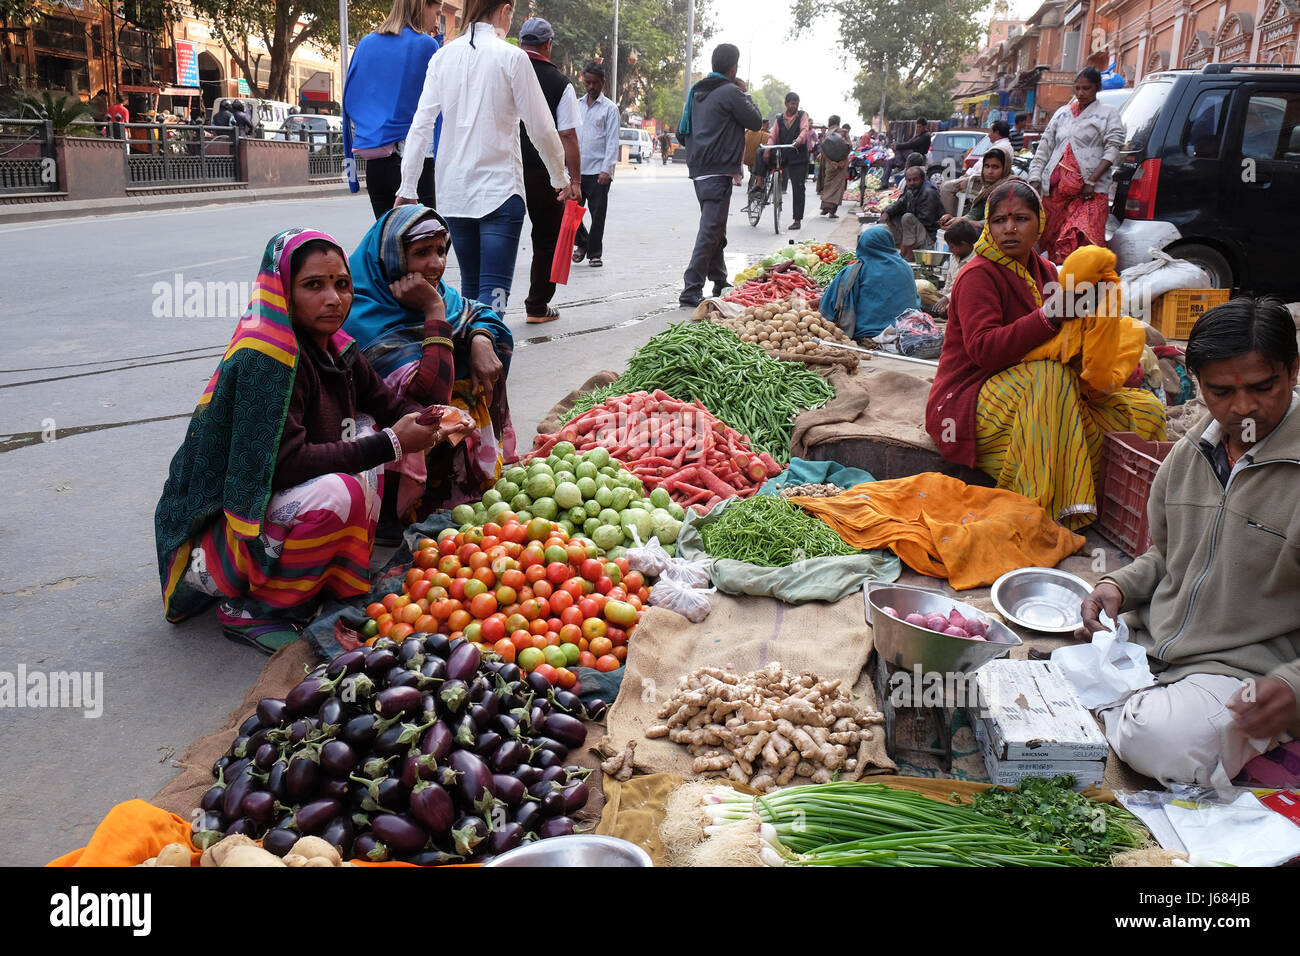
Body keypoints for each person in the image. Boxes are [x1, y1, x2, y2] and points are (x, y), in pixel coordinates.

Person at [154, 228, 469, 653]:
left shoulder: (336, 347)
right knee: (344, 482)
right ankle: (255, 608)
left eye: (341, 284)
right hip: (217, 534)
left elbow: (389, 405)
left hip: (281, 501)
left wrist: (434, 419)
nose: (333, 299)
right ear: (282, 290)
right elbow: (285, 463)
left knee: (363, 439)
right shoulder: (264, 359)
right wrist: (395, 442)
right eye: (313, 286)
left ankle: (331, 580)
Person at [1077, 297, 1300, 787]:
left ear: (1294, 371)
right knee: (1042, 672)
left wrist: (1291, 686)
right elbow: (1168, 553)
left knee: (1163, 742)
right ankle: (1129, 702)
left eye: (1263, 387)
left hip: (1248, 669)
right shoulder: (1188, 455)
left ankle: (1130, 709)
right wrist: (1119, 586)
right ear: (1196, 383)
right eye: (1221, 391)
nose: (1243, 407)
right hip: (1157, 644)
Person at [925, 180, 1166, 529]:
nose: (1009, 228)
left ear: (1039, 222)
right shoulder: (976, 275)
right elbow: (984, 351)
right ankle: (1040, 512)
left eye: (1021, 219)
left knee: (1145, 410)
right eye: (999, 220)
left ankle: (1140, 512)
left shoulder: (1048, 272)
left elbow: (1071, 342)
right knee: (1050, 376)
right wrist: (1048, 316)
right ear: (988, 226)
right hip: (971, 400)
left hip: (1041, 404)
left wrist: (1100, 346)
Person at [395, 0, 580, 313]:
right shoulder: (511, 57)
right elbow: (542, 128)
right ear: (505, 10)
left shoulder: (442, 58)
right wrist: (559, 178)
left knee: (470, 293)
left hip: (454, 194)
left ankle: (469, 358)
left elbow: (421, 125)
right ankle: (488, 355)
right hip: (500, 192)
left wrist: (407, 188)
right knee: (493, 301)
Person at [346, 205, 515, 526]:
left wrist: (480, 337)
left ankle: (454, 484)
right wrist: (434, 311)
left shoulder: (441, 295)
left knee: (482, 346)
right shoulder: (361, 314)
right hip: (380, 436)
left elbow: (480, 314)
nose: (437, 264)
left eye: (441, 250)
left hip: (424, 428)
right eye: (422, 252)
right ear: (392, 257)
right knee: (431, 413)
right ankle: (401, 509)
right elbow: (429, 397)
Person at [676, 43, 761, 307]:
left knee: (715, 227)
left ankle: (720, 279)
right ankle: (691, 287)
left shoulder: (697, 90)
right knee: (711, 229)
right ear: (733, 67)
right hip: (718, 169)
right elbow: (756, 122)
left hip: (698, 169)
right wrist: (744, 93)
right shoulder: (731, 92)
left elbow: (682, 132)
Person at [342, 0, 445, 218]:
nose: (436, 21)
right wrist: (437, 44)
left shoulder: (366, 44)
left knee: (387, 244)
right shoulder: (426, 45)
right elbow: (437, 97)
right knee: (427, 242)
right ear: (423, 5)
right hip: (414, 161)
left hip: (375, 159)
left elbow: (350, 98)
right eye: (436, 13)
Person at [518, 18, 582, 323]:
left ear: (520, 43)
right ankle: (536, 306)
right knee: (546, 239)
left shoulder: (505, 71)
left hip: (503, 169)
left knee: (498, 235)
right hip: (545, 173)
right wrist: (576, 181)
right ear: (548, 44)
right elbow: (567, 135)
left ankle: (485, 310)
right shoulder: (559, 82)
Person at [1027, 67, 1124, 264]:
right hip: (1055, 194)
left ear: (1097, 88)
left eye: (1086, 88)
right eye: (1077, 88)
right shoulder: (1062, 114)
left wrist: (1092, 180)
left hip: (1090, 193)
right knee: (1050, 242)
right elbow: (1045, 146)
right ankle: (1055, 287)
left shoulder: (1107, 114)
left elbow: (1113, 149)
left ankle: (1082, 288)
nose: (1081, 93)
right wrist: (1036, 178)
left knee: (1082, 240)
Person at [817, 226, 921, 342]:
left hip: (869, 333)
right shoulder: (905, 266)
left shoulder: (856, 270)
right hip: (908, 328)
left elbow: (829, 305)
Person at [572, 62, 620, 269]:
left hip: (598, 172)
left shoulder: (610, 108)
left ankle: (594, 254)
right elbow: (569, 134)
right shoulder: (576, 104)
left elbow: (612, 140)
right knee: (571, 213)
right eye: (587, 82)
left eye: (594, 83)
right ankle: (582, 243)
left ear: (603, 82)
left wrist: (607, 169)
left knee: (597, 214)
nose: (590, 86)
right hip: (576, 172)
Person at [756, 92, 811, 230]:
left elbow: (804, 130)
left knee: (798, 187)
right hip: (784, 151)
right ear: (786, 103)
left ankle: (797, 220)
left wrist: (798, 141)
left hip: (797, 153)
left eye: (796, 103)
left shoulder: (802, 115)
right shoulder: (779, 119)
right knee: (760, 151)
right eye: (792, 103)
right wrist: (768, 148)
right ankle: (760, 182)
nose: (795, 106)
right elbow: (773, 135)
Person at [940, 118, 1010, 217]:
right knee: (947, 185)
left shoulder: (1001, 148)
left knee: (947, 187)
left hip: (980, 182)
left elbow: (986, 171)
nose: (988, 134)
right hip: (976, 178)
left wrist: (968, 179)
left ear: (997, 133)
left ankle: (949, 220)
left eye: (990, 131)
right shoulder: (999, 146)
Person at [938, 141, 1014, 231]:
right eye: (986, 166)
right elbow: (975, 213)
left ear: (1005, 168)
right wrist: (955, 220)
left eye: (995, 167)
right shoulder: (988, 188)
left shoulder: (1010, 189)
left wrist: (964, 223)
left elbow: (997, 222)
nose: (989, 171)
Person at [881, 164, 942, 259]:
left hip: (929, 236)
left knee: (907, 217)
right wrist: (886, 212)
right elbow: (900, 204)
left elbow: (926, 221)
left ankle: (910, 251)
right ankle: (904, 247)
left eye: (915, 179)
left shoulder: (928, 192)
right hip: (917, 233)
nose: (912, 182)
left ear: (922, 179)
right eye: (909, 180)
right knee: (893, 216)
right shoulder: (911, 190)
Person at [929, 218, 979, 319]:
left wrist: (947, 299)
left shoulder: (977, 261)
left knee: (953, 308)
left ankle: (944, 311)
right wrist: (943, 297)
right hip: (949, 297)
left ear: (964, 244)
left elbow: (968, 289)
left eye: (952, 247)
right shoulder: (954, 256)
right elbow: (949, 281)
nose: (950, 250)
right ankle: (941, 310)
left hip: (964, 299)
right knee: (922, 289)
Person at [817, 114, 850, 218]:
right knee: (837, 187)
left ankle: (824, 208)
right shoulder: (843, 132)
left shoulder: (827, 134)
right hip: (841, 164)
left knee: (827, 185)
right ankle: (832, 212)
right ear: (838, 122)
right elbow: (849, 146)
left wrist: (831, 162)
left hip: (829, 163)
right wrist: (842, 162)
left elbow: (822, 149)